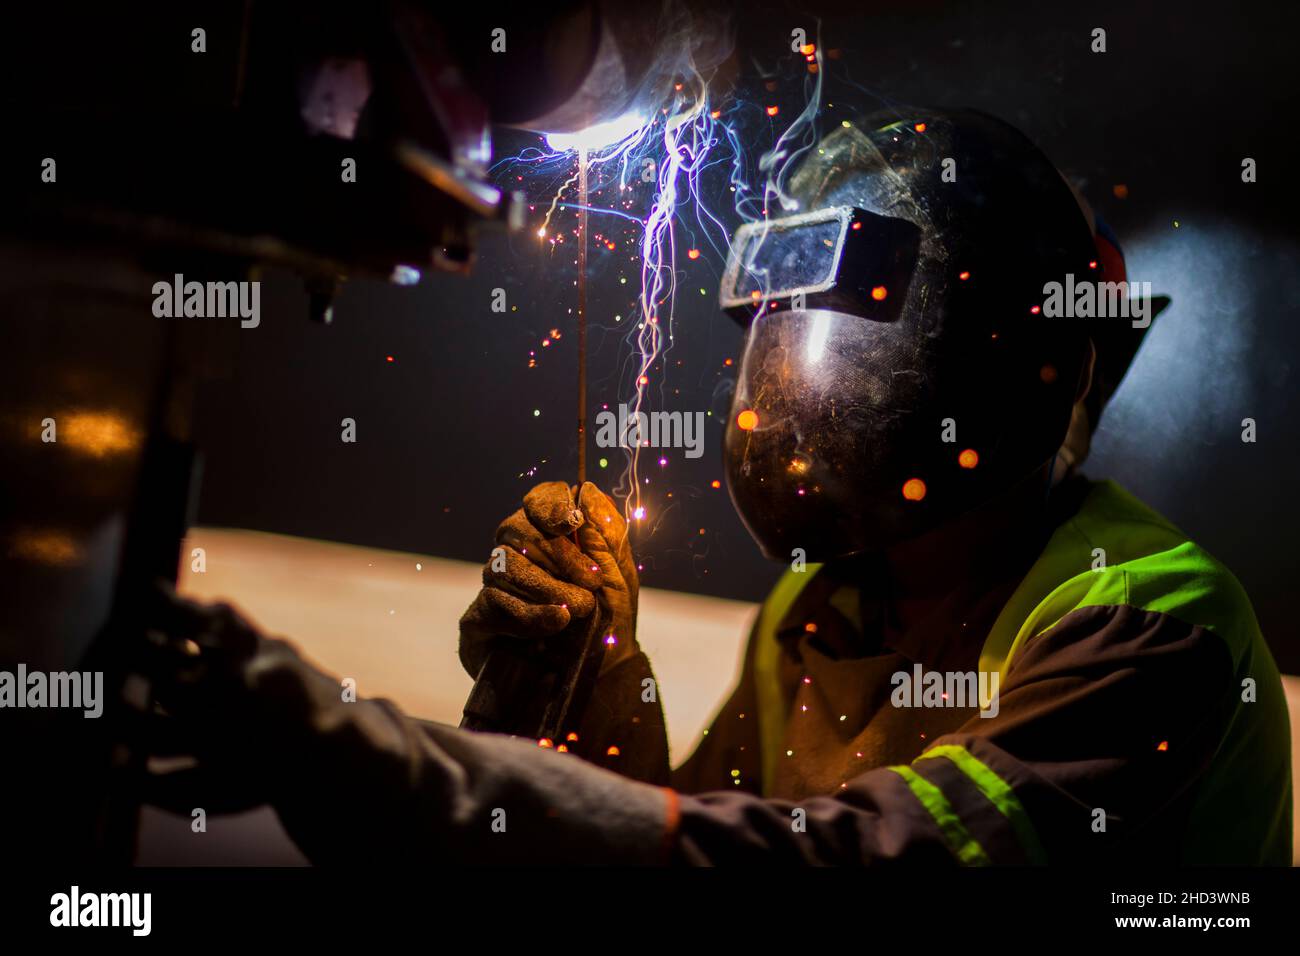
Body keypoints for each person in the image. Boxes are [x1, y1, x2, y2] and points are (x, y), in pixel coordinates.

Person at [142, 108, 1292, 865]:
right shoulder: (826, 601)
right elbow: (694, 817)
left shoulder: (1144, 624)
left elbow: (823, 863)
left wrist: (395, 767)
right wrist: (584, 685)